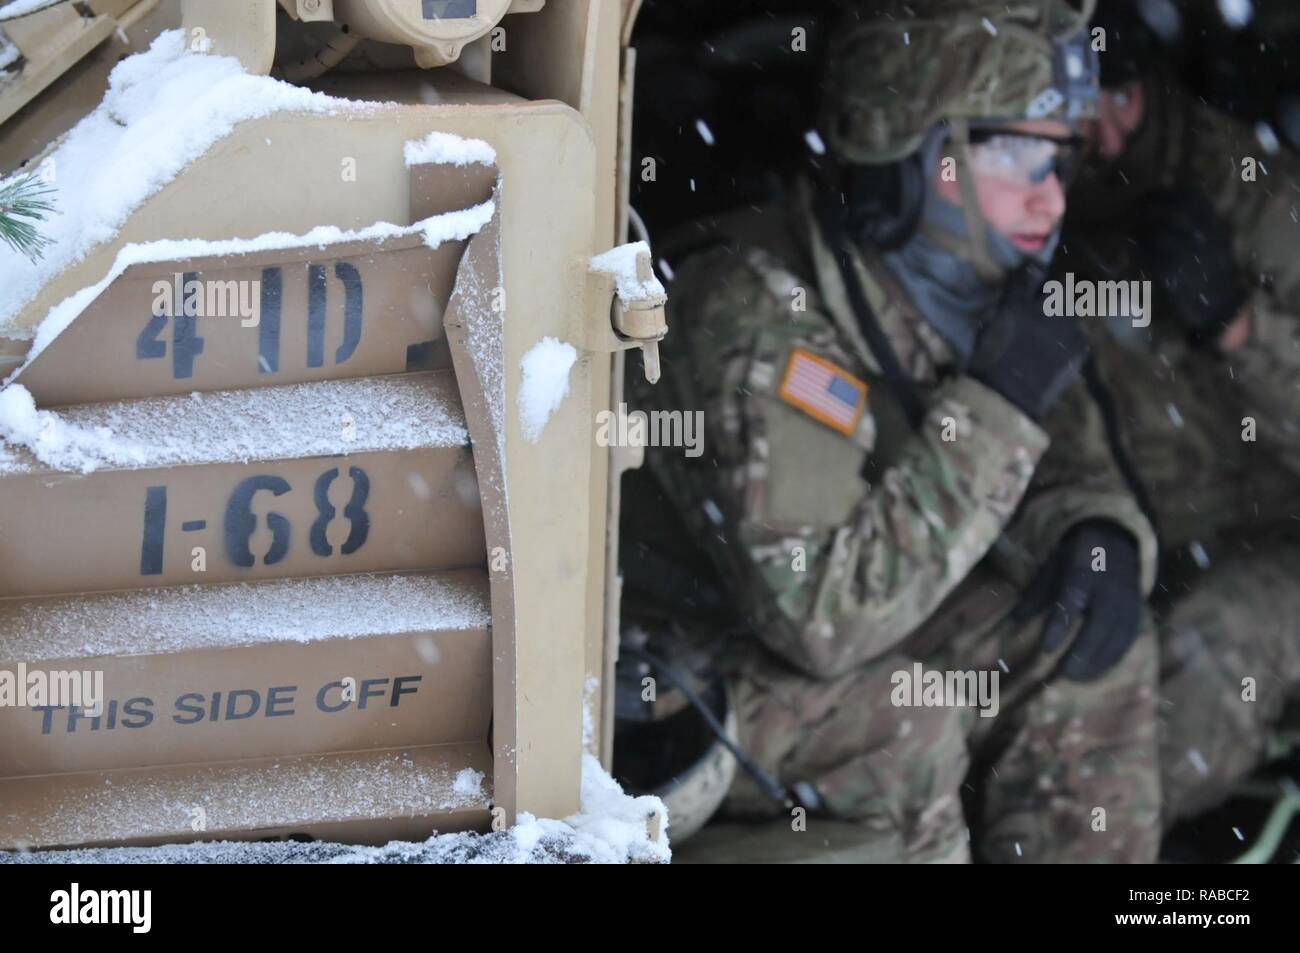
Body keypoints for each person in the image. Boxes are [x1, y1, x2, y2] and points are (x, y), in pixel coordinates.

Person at [629, 0, 1161, 862]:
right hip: (675, 667)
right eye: (1020, 153)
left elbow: (1059, 460)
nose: (1051, 194)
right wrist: (995, 404)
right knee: (905, 712)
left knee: (1086, 636)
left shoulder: (968, 283)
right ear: (919, 157)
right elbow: (820, 615)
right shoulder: (754, 309)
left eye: (1059, 159)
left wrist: (1095, 530)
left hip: (824, 640)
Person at [1058, 0, 1300, 829]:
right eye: (1076, 111)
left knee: (1215, 645)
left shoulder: (1250, 194)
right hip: (1123, 521)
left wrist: (1240, 327)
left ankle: (1105, 842)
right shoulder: (1015, 189)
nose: (1106, 137)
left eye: (1119, 100)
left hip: (1279, 534)